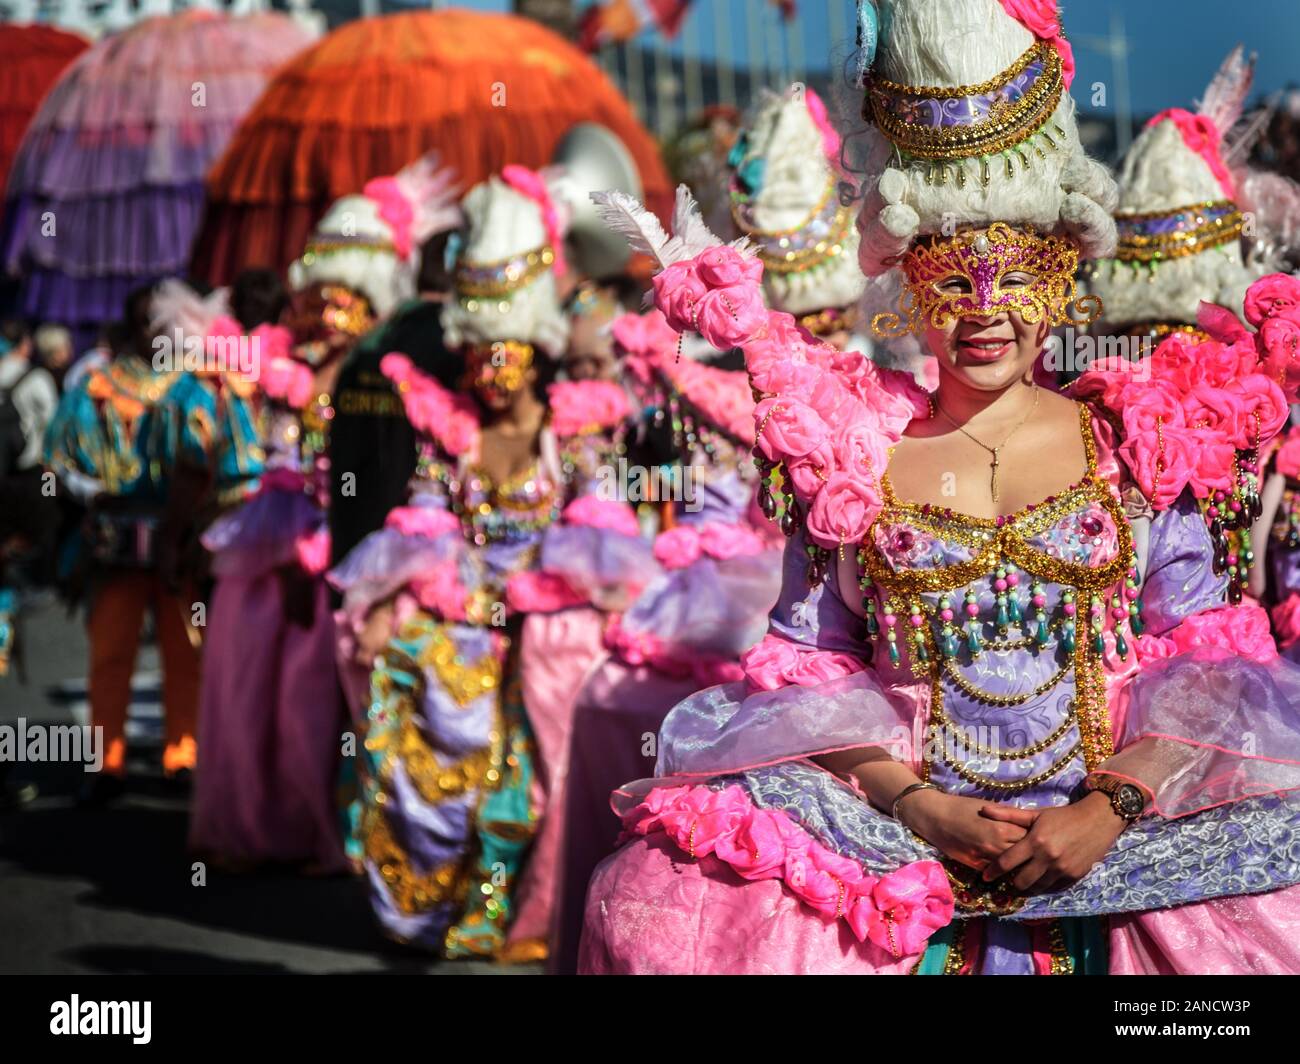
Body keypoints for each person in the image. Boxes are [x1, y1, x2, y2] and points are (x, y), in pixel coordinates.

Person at [579, 0, 1300, 976]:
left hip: (1123, 863)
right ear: (909, 288)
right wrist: (915, 802)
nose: (984, 311)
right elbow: (810, 667)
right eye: (953, 280)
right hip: (907, 858)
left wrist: (1112, 802)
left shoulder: (1133, 442)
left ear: (1060, 279)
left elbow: (1205, 652)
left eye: (1014, 276)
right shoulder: (850, 455)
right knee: (663, 902)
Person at [330, 167, 648, 959]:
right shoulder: (452, 434)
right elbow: (425, 520)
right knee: (411, 676)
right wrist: (385, 607)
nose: (491, 379)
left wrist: (558, 595)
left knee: (523, 768)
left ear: (534, 352)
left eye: (504, 359)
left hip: (542, 621)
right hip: (466, 614)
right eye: (480, 361)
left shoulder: (578, 430)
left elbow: (602, 529)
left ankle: (509, 913)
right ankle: (435, 901)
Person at [185, 156, 458, 873]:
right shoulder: (279, 375)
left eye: (343, 302)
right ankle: (252, 822)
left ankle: (323, 829)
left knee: (313, 699)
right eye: (316, 300)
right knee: (245, 683)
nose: (324, 317)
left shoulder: (380, 377)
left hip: (337, 547)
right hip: (267, 544)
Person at [44, 285, 200, 803]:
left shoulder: (193, 385)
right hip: (114, 544)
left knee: (186, 648)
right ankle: (106, 759)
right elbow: (57, 459)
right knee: (111, 651)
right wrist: (93, 491)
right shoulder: (95, 384)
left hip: (181, 540)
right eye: (149, 322)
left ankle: (184, 753)